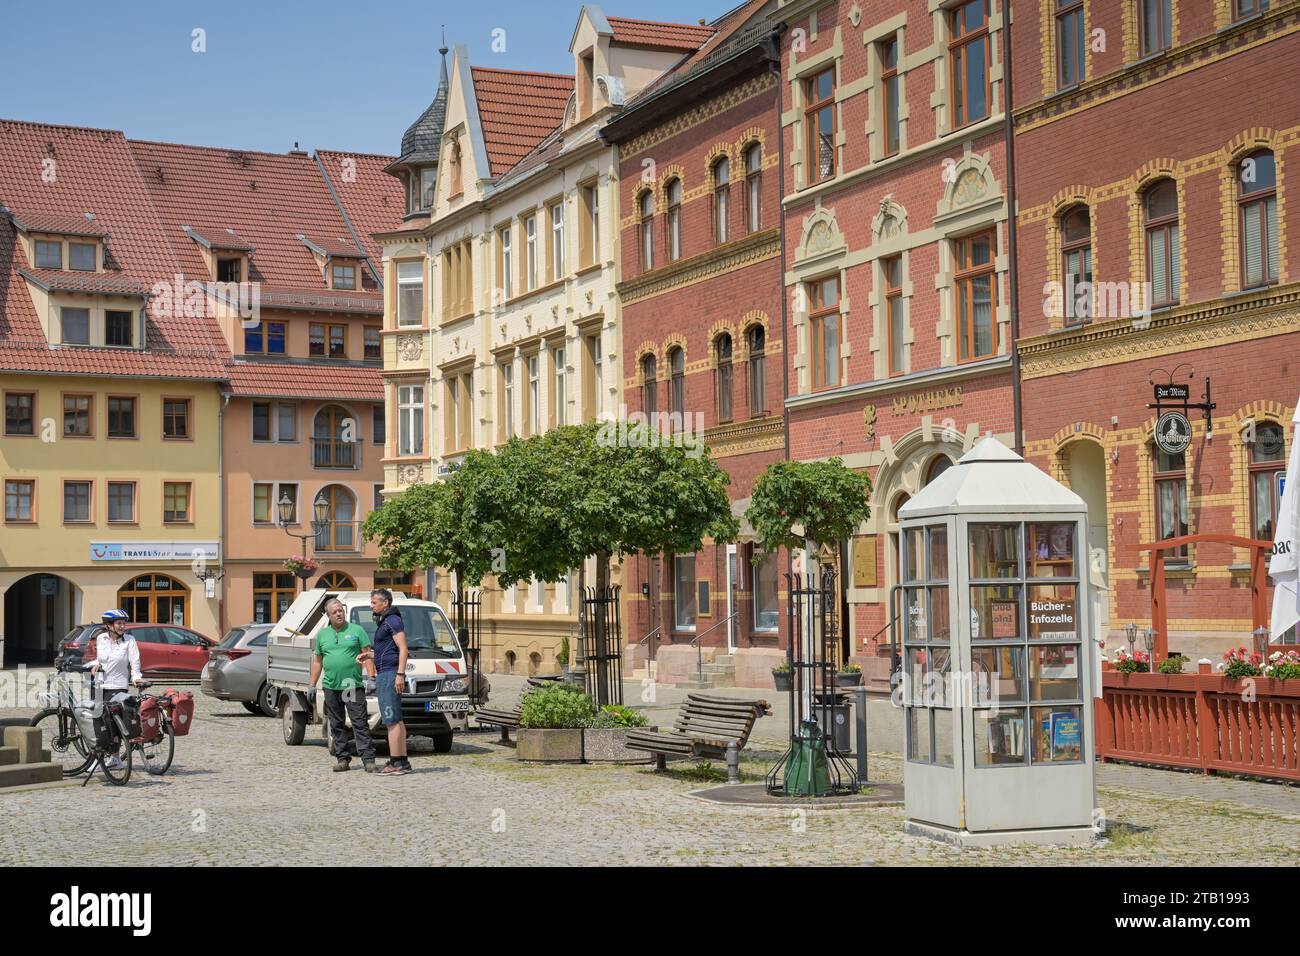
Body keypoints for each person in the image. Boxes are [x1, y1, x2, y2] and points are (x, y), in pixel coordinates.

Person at [309, 598, 377, 773]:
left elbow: (367, 654)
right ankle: (342, 759)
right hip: (331, 686)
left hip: (350, 685)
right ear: (328, 615)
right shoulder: (323, 635)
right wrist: (311, 684)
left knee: (359, 722)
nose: (339, 614)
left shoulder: (357, 630)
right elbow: (318, 661)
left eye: (340, 610)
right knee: (337, 723)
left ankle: (368, 759)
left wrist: (371, 677)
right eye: (334, 612)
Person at [85, 609, 145, 770]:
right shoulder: (101, 638)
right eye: (119, 623)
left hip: (118, 686)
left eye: (124, 623)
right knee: (98, 723)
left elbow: (135, 661)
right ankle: (98, 759)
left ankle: (115, 758)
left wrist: (136, 677)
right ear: (109, 625)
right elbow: (101, 658)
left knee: (114, 723)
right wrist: (95, 664)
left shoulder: (129, 640)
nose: (122, 626)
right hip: (99, 684)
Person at [364, 588, 411, 776]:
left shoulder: (392, 620)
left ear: (385, 603)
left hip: (390, 674)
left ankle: (395, 762)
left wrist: (400, 674)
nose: (371, 605)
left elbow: (403, 647)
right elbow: (388, 651)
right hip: (388, 671)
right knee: (397, 720)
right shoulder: (387, 621)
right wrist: (369, 655)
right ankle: (403, 760)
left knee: (391, 720)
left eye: (374, 602)